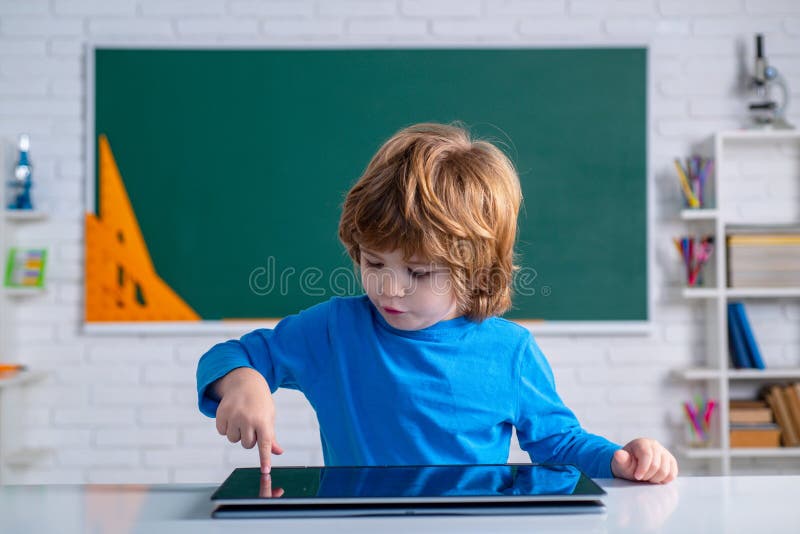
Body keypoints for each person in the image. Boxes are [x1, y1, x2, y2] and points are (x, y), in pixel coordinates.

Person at [196, 123, 678, 484]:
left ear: (474, 269)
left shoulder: (510, 351)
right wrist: (244, 383)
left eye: (419, 273)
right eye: (373, 261)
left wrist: (618, 458)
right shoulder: (333, 330)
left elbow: (558, 442)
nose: (388, 287)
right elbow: (231, 355)